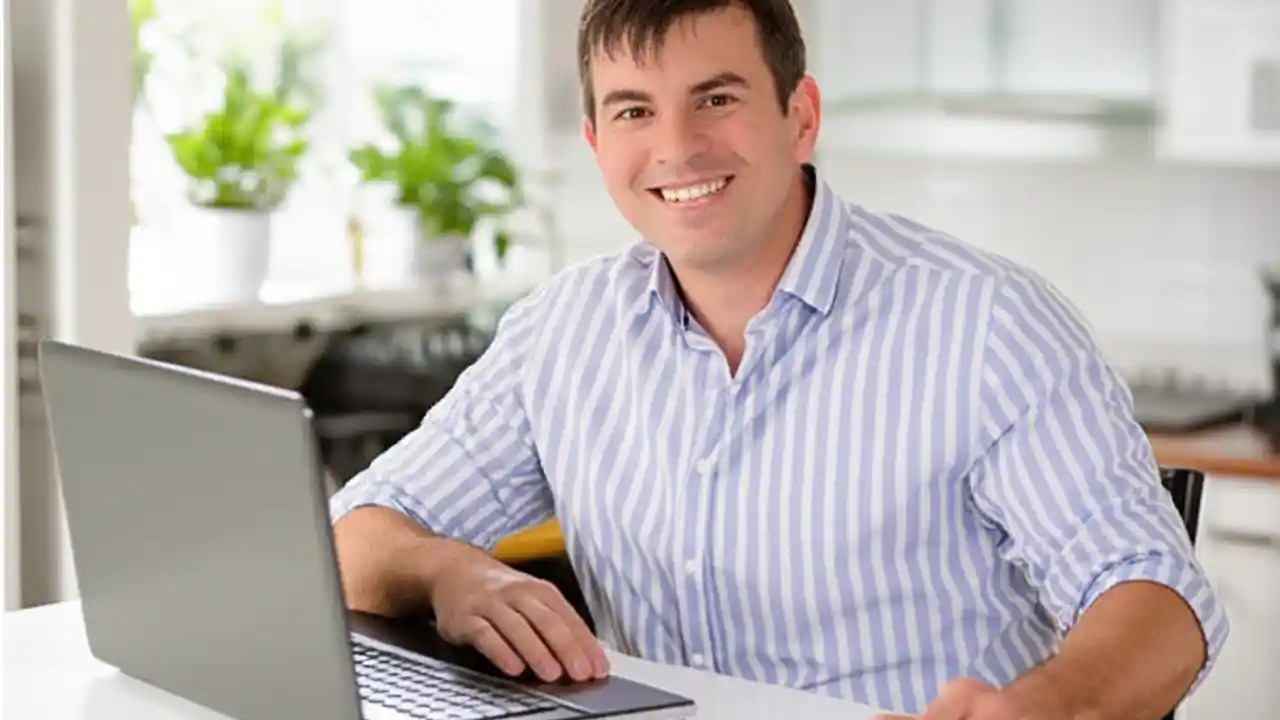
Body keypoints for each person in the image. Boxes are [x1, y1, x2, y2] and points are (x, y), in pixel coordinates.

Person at [329, 1, 1228, 717]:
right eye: (634, 110)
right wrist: (450, 572)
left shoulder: (987, 323)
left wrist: (1045, 707)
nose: (676, 147)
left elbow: (1155, 597)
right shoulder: (560, 334)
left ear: (800, 116)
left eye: (716, 98)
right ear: (600, 145)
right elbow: (354, 533)